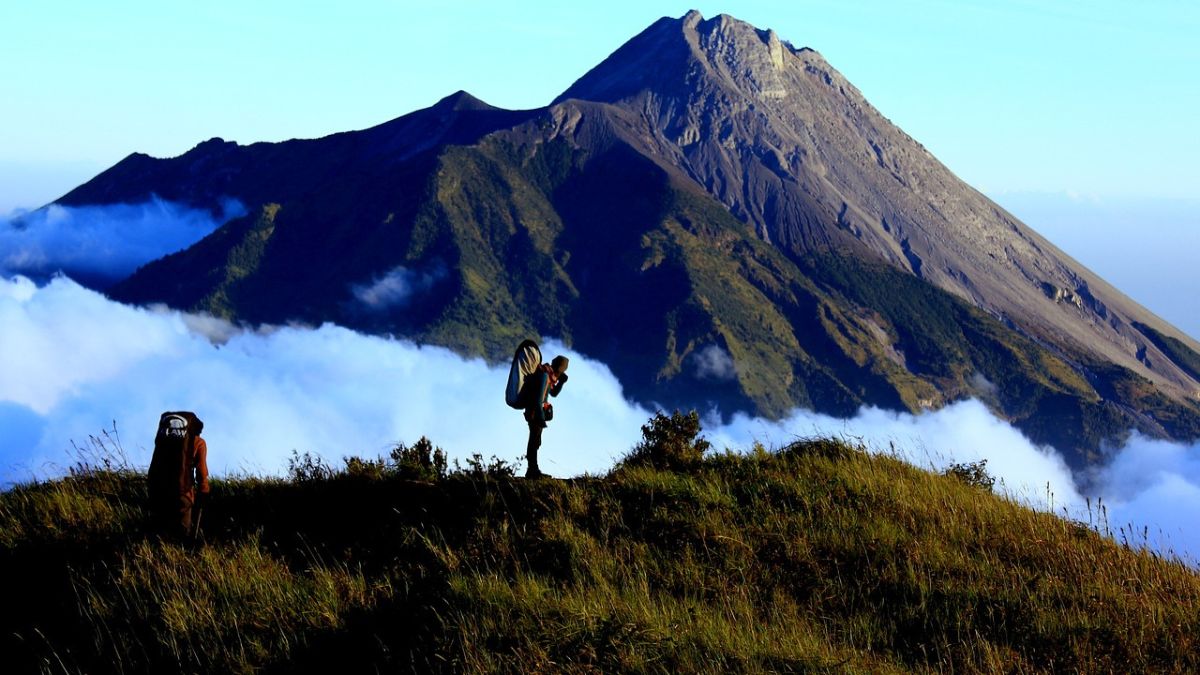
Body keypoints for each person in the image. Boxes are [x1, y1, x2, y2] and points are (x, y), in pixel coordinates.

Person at [147, 411, 210, 541]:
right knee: (182, 535)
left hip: (157, 492)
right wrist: (204, 491)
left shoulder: (164, 440)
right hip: (182, 494)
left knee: (158, 533)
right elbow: (201, 472)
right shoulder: (198, 442)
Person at [522, 355, 569, 478]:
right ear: (560, 369)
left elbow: (553, 393)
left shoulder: (549, 376)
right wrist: (540, 418)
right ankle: (532, 470)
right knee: (534, 441)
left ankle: (533, 469)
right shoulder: (544, 375)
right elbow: (538, 399)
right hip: (535, 412)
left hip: (536, 412)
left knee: (536, 441)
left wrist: (561, 383)